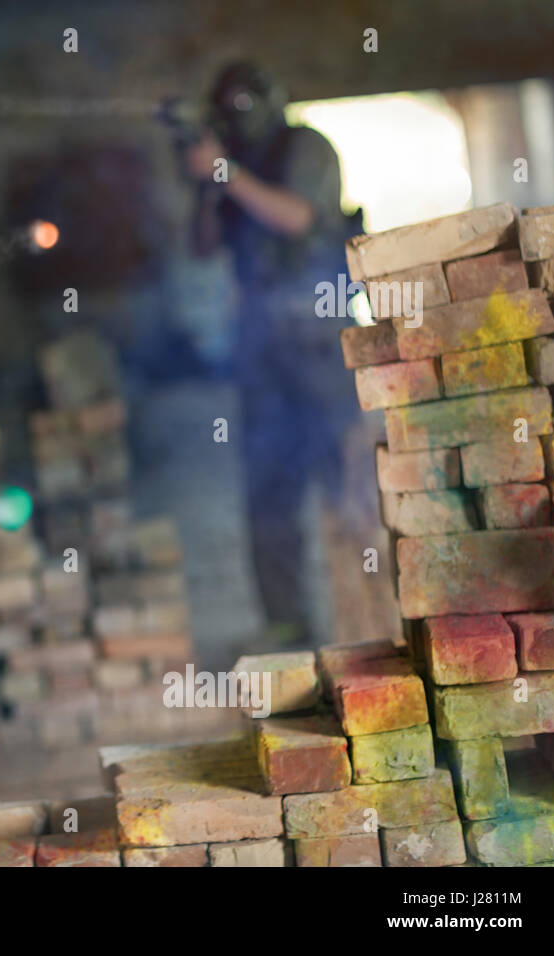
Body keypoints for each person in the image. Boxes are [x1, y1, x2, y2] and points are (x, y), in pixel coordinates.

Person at [183, 62, 360, 649]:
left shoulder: (306, 148)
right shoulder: (232, 164)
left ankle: (369, 620)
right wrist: (208, 186)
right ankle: (290, 629)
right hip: (259, 348)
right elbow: (203, 248)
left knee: (348, 488)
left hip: (319, 338)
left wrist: (226, 174)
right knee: (267, 494)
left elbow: (298, 217)